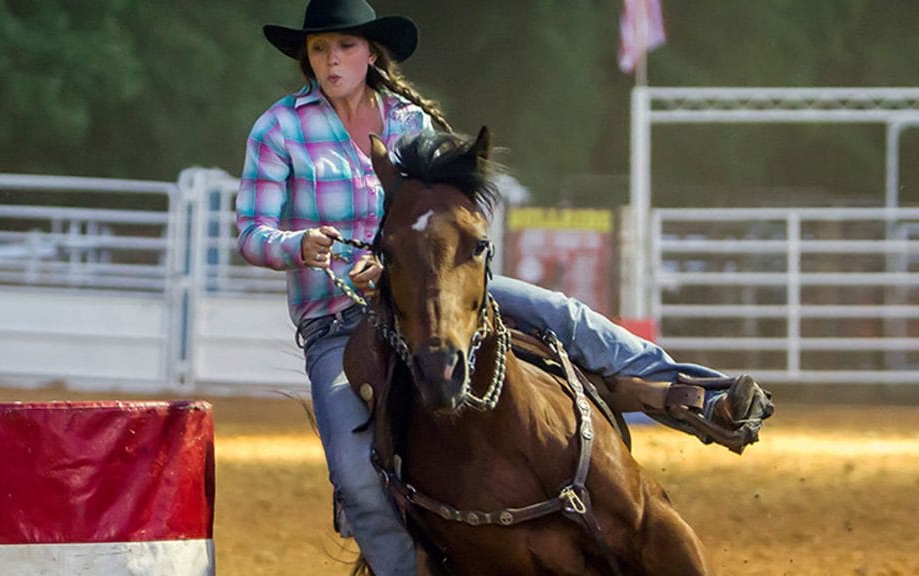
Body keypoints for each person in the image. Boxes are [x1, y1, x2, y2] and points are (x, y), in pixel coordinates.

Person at [236, 1, 773, 574]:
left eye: (344, 47)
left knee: (563, 315)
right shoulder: (279, 129)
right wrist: (301, 247)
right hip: (337, 319)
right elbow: (251, 232)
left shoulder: (409, 123)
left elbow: (446, 213)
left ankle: (700, 394)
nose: (331, 59)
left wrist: (402, 259)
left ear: (371, 53)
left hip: (435, 290)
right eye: (319, 49)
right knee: (355, 476)